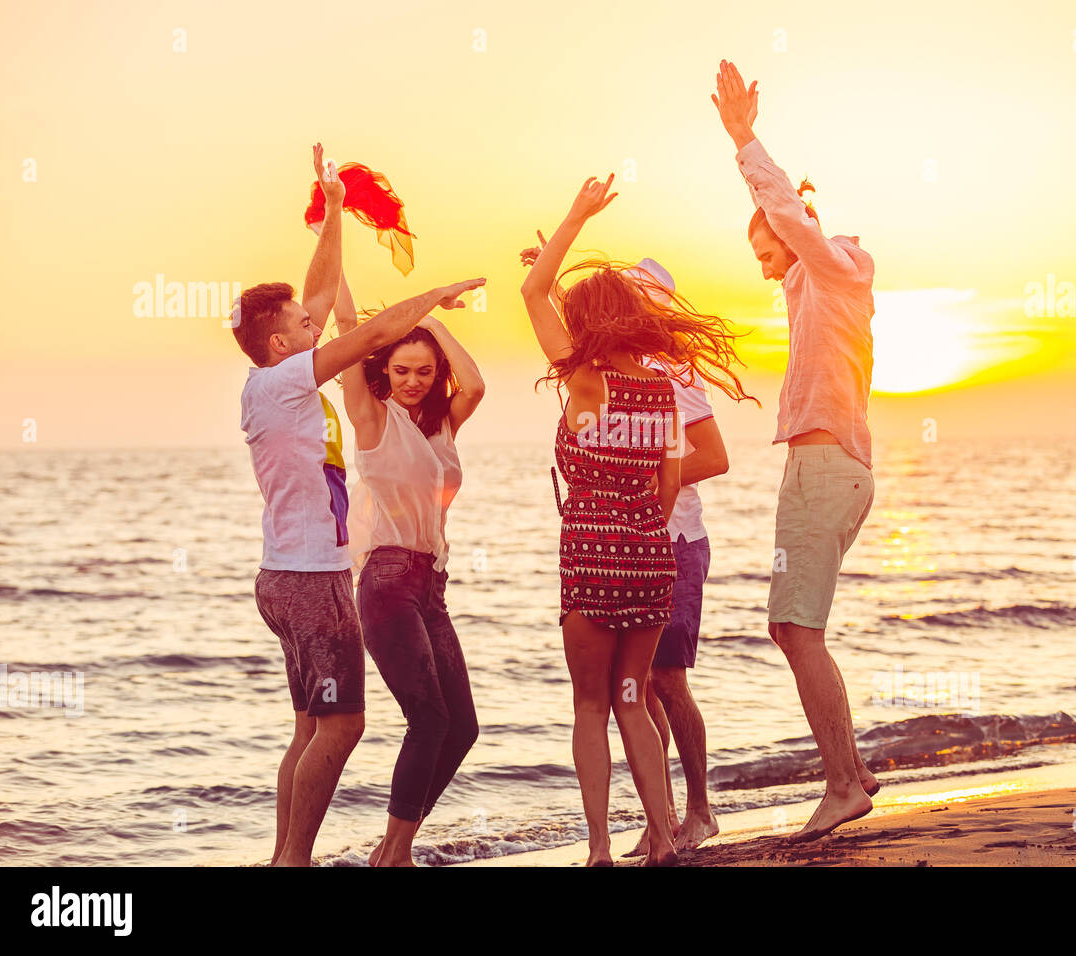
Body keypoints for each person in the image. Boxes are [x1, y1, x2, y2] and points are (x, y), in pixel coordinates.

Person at [234, 143, 484, 866]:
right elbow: (368, 333)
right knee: (341, 728)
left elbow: (319, 301)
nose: (317, 327)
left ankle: (287, 857)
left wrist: (336, 211)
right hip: (314, 581)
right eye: (302, 328)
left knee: (310, 729)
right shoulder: (285, 381)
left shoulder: (271, 378)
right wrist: (432, 300)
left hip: (284, 578)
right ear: (280, 342)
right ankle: (294, 862)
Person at [519, 175, 755, 866]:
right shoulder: (660, 388)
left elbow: (534, 293)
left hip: (593, 554)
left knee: (591, 706)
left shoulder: (583, 379)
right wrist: (638, 527)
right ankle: (663, 837)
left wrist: (574, 217)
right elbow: (672, 478)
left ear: (586, 324)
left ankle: (598, 848)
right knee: (634, 699)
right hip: (652, 556)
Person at [712, 59, 881, 841]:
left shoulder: (837, 267)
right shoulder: (812, 294)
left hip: (824, 469)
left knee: (795, 629)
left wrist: (746, 141)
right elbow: (787, 227)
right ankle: (853, 770)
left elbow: (791, 218)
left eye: (769, 250)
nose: (768, 263)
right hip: (822, 467)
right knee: (791, 627)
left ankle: (843, 784)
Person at [330, 267, 484, 867]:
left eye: (424, 371)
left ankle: (392, 847)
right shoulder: (371, 416)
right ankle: (395, 851)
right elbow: (351, 332)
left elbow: (474, 385)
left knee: (461, 728)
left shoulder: (442, 424)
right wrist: (334, 237)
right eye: (402, 370)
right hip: (387, 582)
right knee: (428, 718)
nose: (414, 381)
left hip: (430, 586)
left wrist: (434, 322)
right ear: (384, 373)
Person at [624, 260, 726, 855]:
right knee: (635, 686)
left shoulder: (677, 371)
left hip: (678, 543)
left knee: (667, 679)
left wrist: (642, 474)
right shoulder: (618, 371)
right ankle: (659, 819)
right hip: (633, 545)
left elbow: (714, 456)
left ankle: (701, 811)